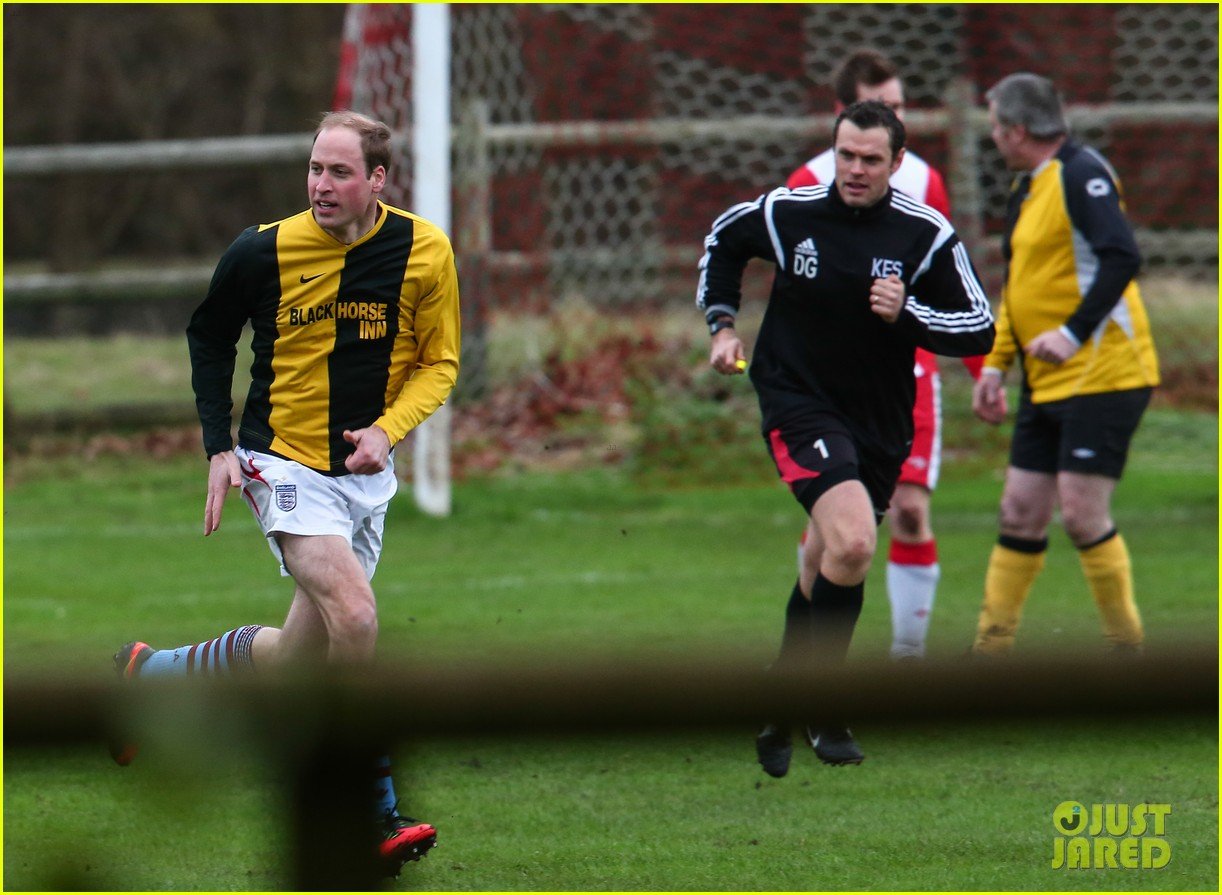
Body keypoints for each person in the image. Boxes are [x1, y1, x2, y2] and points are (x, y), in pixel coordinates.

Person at [110, 110, 461, 876]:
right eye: (314, 168)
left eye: (340, 172)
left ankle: (147, 674)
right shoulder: (261, 249)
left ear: (378, 179)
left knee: (297, 656)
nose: (321, 185)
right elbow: (210, 336)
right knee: (356, 615)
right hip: (282, 462)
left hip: (362, 476)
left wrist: (387, 431)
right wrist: (219, 447)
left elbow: (440, 362)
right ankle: (370, 811)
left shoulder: (425, 251)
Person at [697, 100, 994, 776]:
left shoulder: (924, 233)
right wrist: (722, 324)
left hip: (880, 421)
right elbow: (724, 241)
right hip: (798, 401)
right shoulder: (791, 212)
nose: (855, 169)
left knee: (825, 556)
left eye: (870, 159)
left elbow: (978, 325)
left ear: (897, 162)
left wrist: (907, 312)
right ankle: (825, 704)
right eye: (846, 155)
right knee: (855, 542)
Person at [787, 48, 983, 660]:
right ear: (844, 113)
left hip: (908, 377)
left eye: (900, 106)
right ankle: (801, 663)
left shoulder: (925, 182)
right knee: (832, 533)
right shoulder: (805, 184)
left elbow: (952, 285)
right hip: (832, 385)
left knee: (911, 513)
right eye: (881, 106)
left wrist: (982, 371)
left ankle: (907, 660)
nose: (896, 117)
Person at [970, 73, 1158, 656]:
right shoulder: (1027, 188)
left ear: (1017, 130)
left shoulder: (1081, 174)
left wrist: (1074, 332)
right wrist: (996, 365)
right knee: (1019, 511)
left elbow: (1122, 256)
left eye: (996, 127)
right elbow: (1021, 288)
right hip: (1045, 380)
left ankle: (1126, 649)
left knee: (1080, 514)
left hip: (1105, 374)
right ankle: (990, 650)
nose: (993, 137)